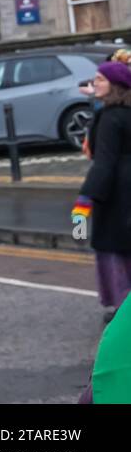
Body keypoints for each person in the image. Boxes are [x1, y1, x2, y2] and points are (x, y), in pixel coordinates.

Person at [71, 51, 131, 322]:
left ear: (114, 85)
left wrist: (84, 201)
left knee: (113, 249)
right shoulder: (125, 113)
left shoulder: (109, 118)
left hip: (117, 192)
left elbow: (103, 163)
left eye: (99, 79)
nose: (94, 84)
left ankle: (122, 306)